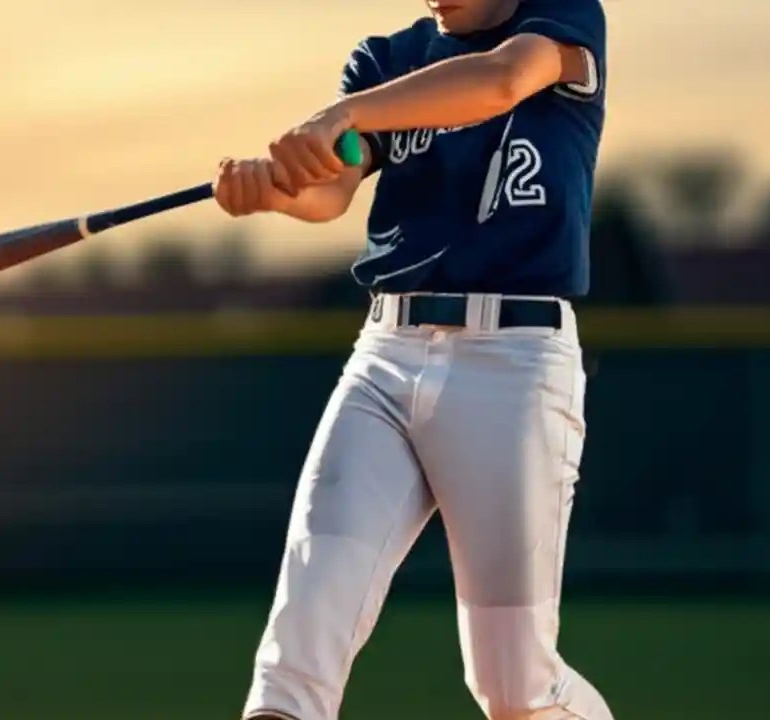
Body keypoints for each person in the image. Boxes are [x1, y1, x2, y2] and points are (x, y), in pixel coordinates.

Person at [213, 2, 613, 718]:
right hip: (385, 358)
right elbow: (333, 188)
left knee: (515, 688)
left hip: (515, 360)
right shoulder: (386, 56)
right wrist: (272, 189)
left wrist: (340, 117)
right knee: (294, 658)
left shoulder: (563, 15)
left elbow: (502, 79)